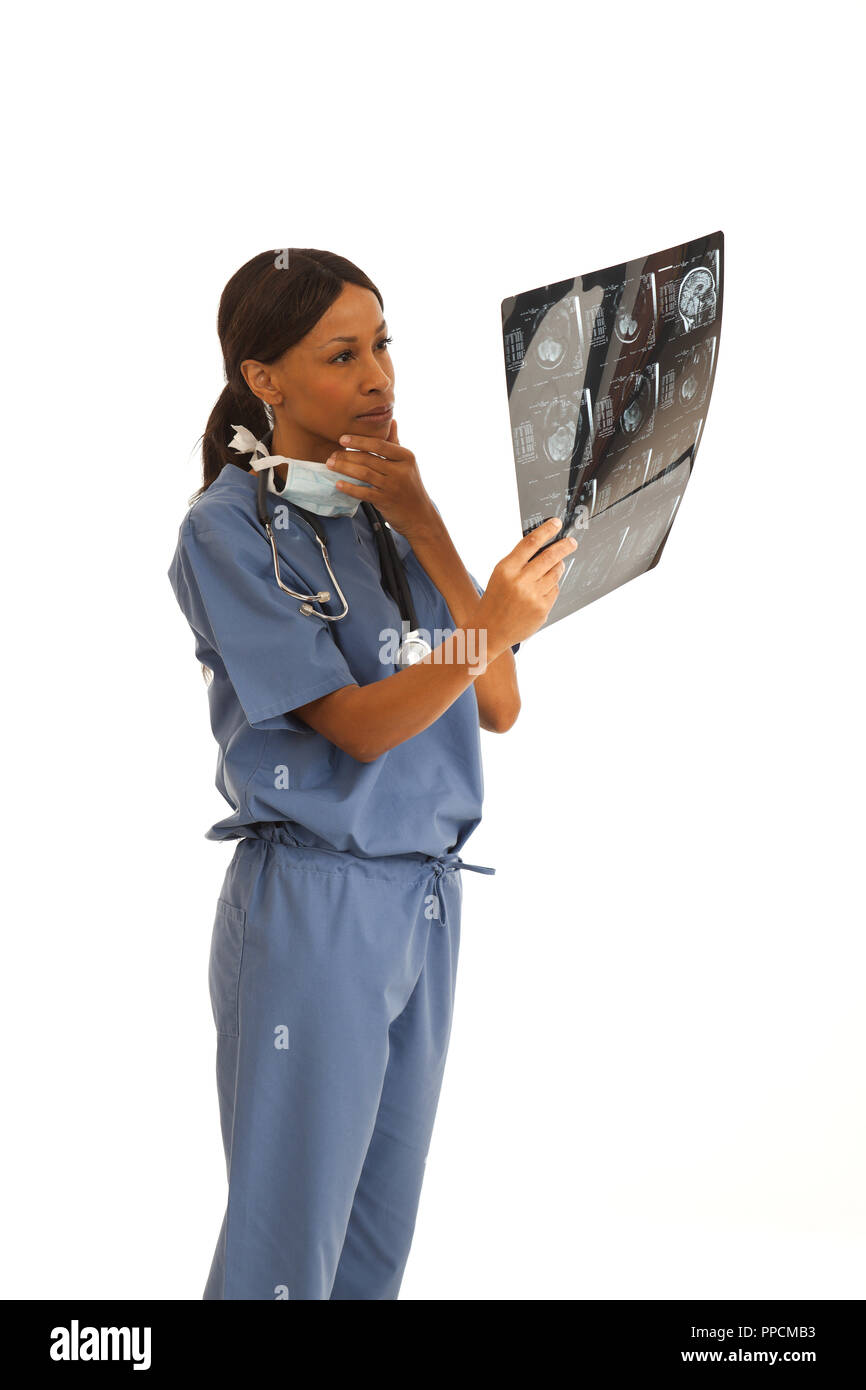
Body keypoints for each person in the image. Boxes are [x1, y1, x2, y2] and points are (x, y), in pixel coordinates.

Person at [167, 248, 577, 1300]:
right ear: (265, 378)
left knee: (371, 1246)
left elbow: (496, 704)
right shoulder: (228, 530)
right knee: (286, 1247)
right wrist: (487, 621)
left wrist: (427, 519)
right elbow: (355, 726)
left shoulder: (386, 516)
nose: (377, 375)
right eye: (341, 354)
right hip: (313, 903)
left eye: (383, 343)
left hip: (424, 902)